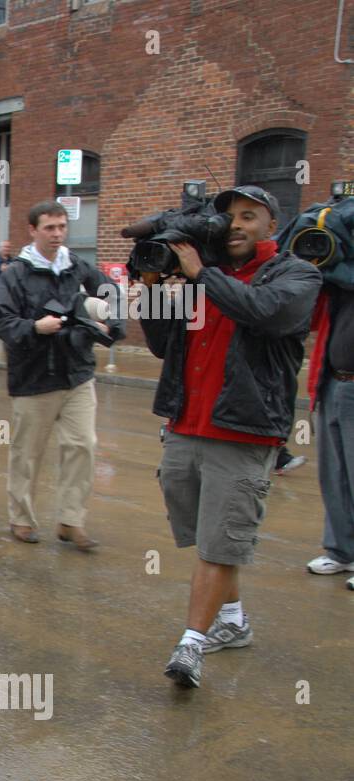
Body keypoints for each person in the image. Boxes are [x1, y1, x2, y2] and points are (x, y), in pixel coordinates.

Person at [137, 185, 321, 688]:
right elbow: (160, 344)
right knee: (209, 535)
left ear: (270, 225)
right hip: (185, 423)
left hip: (243, 431)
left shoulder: (295, 273)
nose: (236, 225)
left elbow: (264, 312)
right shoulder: (204, 280)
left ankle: (191, 644)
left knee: (220, 543)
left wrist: (202, 273)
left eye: (248, 216)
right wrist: (153, 284)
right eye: (228, 217)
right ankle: (233, 620)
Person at [0, 200, 119, 551]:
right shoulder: (16, 273)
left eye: (62, 226)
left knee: (83, 446)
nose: (57, 233)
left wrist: (105, 318)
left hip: (77, 374)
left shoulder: (76, 266)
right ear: (33, 231)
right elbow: (2, 321)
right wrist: (35, 327)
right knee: (28, 453)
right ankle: (21, 519)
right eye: (49, 227)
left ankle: (71, 521)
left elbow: (108, 291)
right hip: (34, 378)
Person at [306, 284, 354, 589]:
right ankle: (341, 550)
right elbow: (307, 319)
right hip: (332, 379)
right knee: (333, 474)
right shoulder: (337, 278)